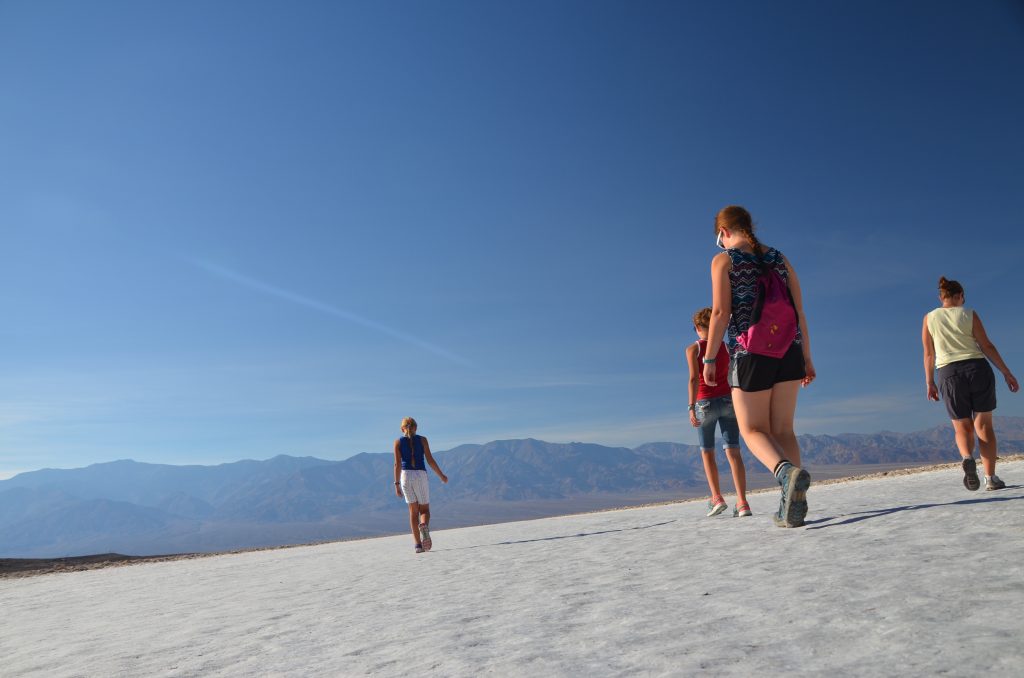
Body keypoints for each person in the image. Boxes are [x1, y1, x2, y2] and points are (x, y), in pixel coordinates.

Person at [703, 205, 816, 528]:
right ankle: (792, 502)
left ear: (723, 233)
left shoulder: (724, 260)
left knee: (752, 430)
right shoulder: (781, 259)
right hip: (789, 351)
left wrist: (710, 358)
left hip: (749, 353)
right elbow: (800, 313)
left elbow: (721, 313)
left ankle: (787, 475)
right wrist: (807, 358)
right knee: (783, 430)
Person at [922, 277, 1019, 491]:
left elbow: (929, 354)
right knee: (984, 426)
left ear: (941, 297)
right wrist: (1006, 372)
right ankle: (991, 478)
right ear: (960, 296)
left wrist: (930, 382)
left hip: (949, 373)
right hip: (978, 369)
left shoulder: (929, 318)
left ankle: (967, 457)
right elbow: (987, 345)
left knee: (962, 427)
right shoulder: (969, 314)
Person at [686, 307, 750, 517]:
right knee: (733, 451)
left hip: (704, 402)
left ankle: (717, 497)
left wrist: (690, 407)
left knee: (707, 451)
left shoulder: (693, 349)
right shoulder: (725, 347)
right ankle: (742, 503)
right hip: (728, 400)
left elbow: (694, 379)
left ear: (697, 328)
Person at [393, 417, 448, 553]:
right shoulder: (422, 440)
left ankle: (417, 545)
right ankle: (423, 525)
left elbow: (397, 464)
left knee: (413, 512)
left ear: (402, 429)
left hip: (405, 476)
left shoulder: (397, 442)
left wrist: (396, 484)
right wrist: (441, 475)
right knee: (424, 510)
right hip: (420, 475)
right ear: (416, 428)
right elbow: (429, 460)